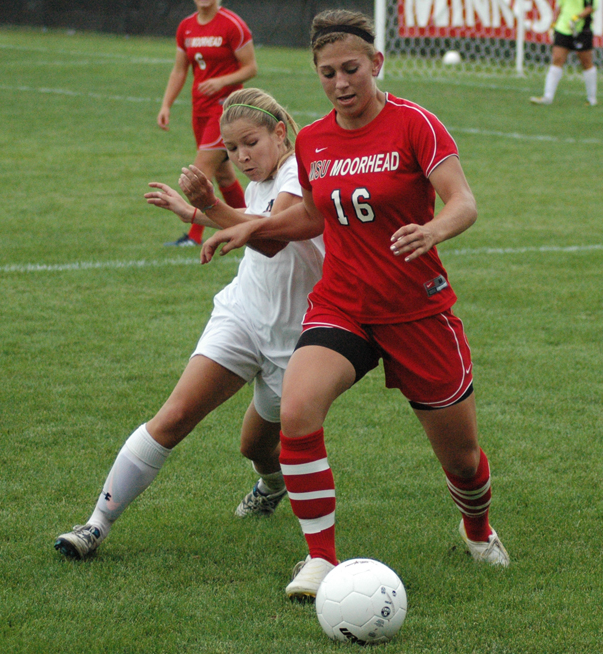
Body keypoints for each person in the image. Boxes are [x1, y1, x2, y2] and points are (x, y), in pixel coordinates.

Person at [196, 9, 510, 601]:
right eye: (327, 73)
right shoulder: (314, 140)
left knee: (464, 461)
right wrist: (248, 226)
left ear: (376, 63)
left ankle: (477, 529)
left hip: (416, 310)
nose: (340, 83)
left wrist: (434, 230)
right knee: (298, 411)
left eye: (351, 69)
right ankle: (320, 559)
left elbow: (463, 202)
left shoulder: (415, 124)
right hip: (342, 305)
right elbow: (312, 217)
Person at [55, 89, 325, 559]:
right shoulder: (262, 177)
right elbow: (250, 221)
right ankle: (95, 525)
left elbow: (270, 238)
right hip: (242, 315)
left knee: (255, 446)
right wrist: (194, 212)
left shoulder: (299, 172)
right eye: (232, 148)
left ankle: (272, 484)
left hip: (294, 338)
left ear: (280, 133)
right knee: (175, 416)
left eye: (251, 143)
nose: (241, 157)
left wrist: (210, 206)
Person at [158, 0, 258, 247]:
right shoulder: (186, 27)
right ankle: (251, 227)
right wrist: (166, 105)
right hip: (200, 110)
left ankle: (193, 236)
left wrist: (222, 81)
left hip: (225, 110)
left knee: (199, 171)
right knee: (224, 176)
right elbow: (179, 70)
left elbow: (250, 68)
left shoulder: (232, 25)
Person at [530, 0, 599, 106]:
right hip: (563, 28)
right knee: (557, 59)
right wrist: (554, 24)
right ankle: (548, 97)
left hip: (582, 29)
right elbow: (560, 7)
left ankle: (592, 99)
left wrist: (576, 18)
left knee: (586, 62)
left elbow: (591, 7)